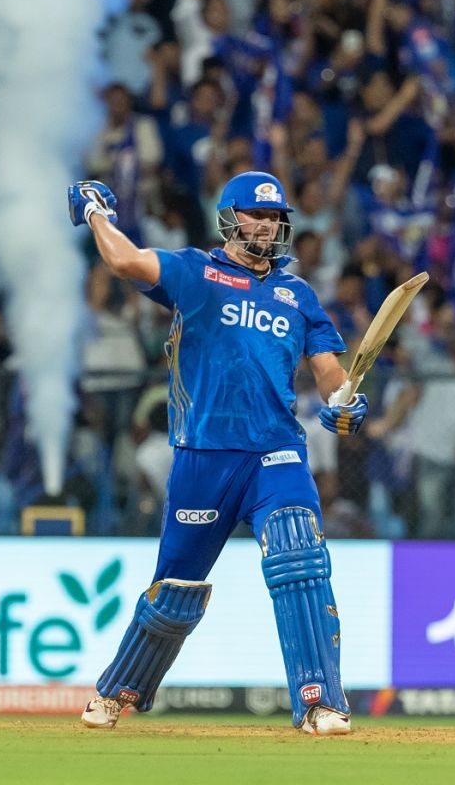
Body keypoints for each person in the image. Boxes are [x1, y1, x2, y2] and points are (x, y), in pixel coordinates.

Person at [66, 171, 370, 735]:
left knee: (299, 560)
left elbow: (330, 371)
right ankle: (117, 692)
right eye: (257, 214)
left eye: (276, 216)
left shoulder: (297, 296)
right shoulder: (194, 272)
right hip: (203, 457)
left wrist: (344, 401)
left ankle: (320, 702)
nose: (268, 224)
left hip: (275, 454)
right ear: (230, 218)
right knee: (175, 590)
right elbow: (126, 263)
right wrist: (95, 215)